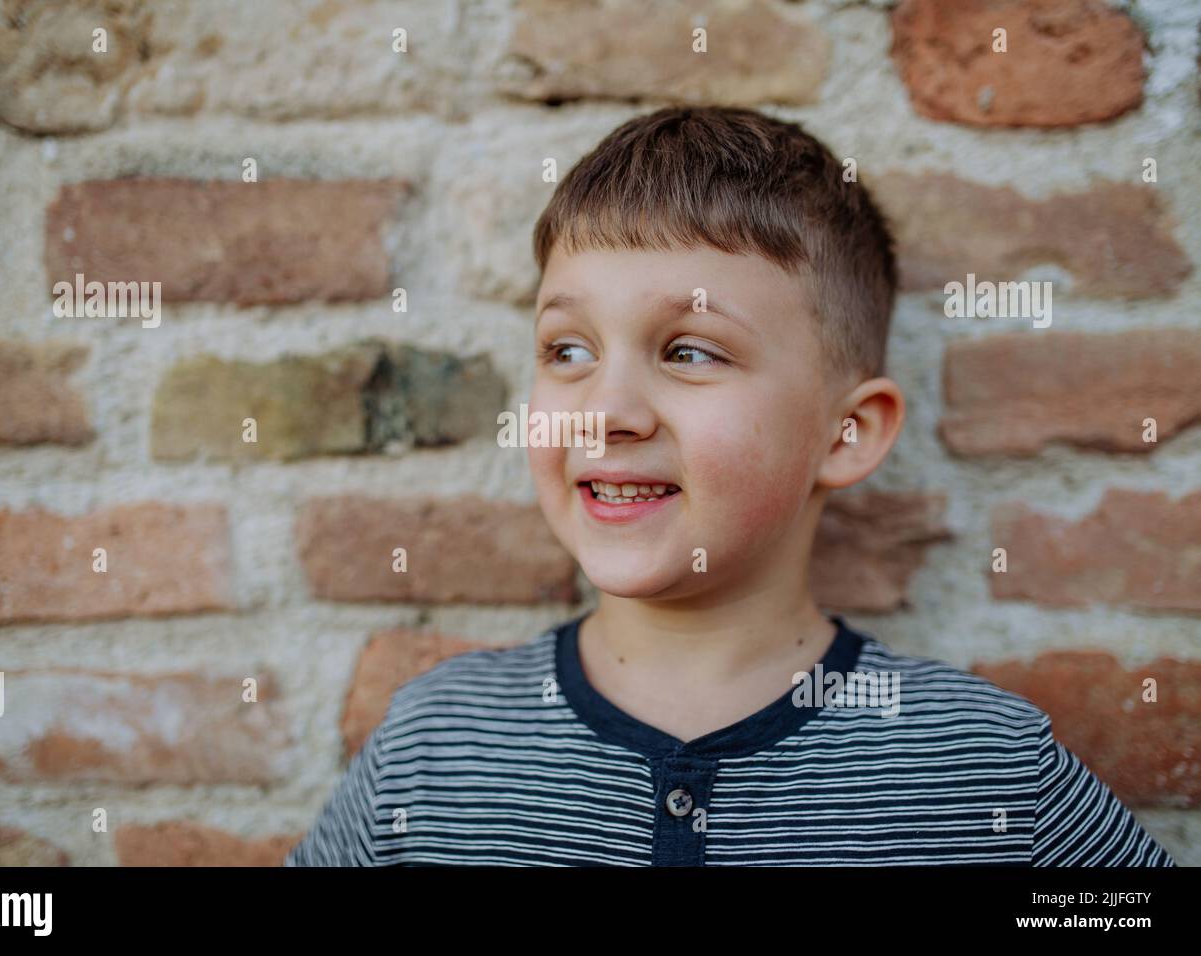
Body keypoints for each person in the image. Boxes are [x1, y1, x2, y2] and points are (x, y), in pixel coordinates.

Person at [287, 106, 1175, 866]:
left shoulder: (982, 768)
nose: (608, 409)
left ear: (847, 432)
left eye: (690, 352)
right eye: (568, 351)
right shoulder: (436, 749)